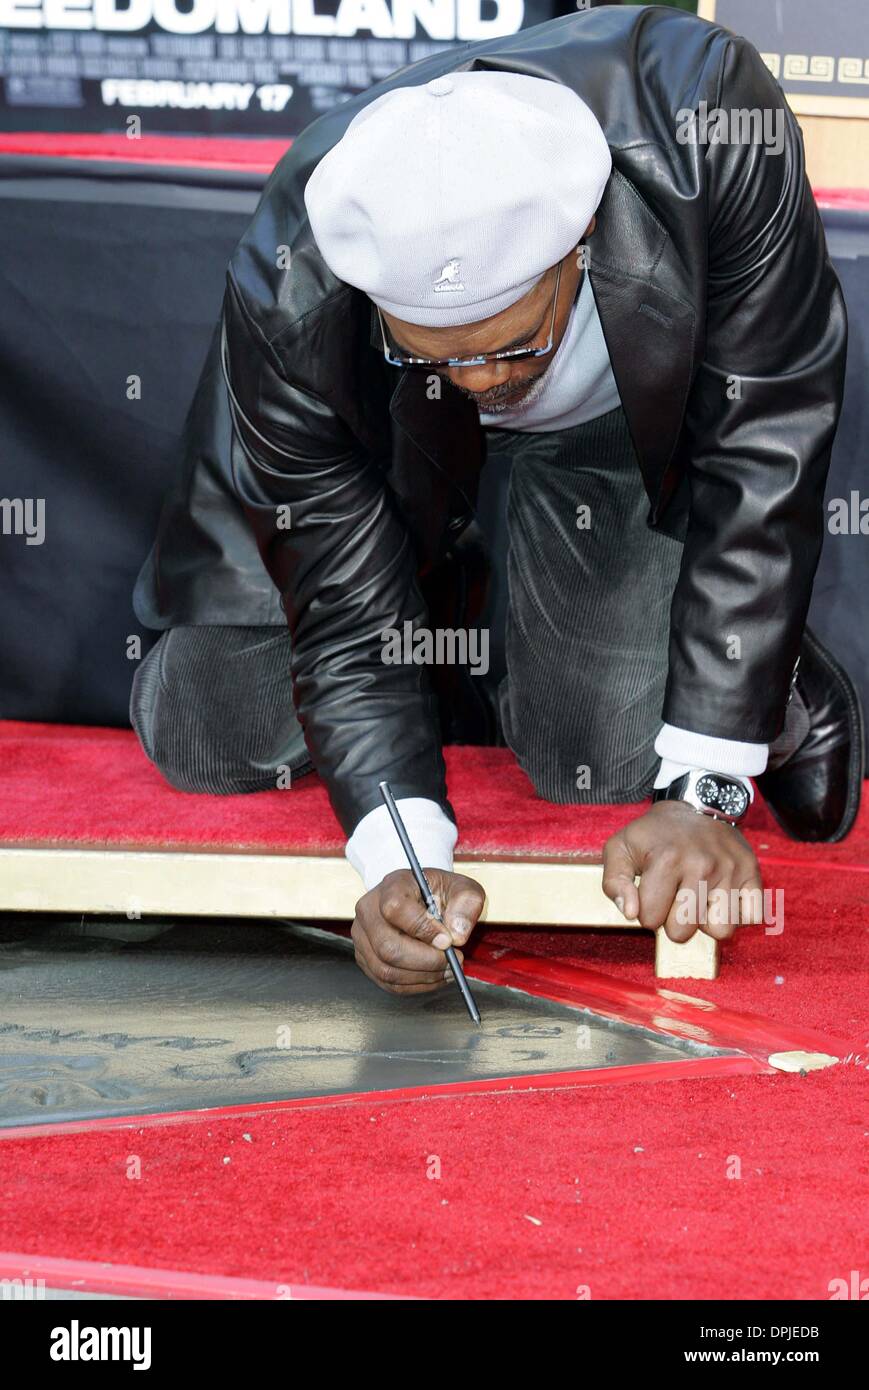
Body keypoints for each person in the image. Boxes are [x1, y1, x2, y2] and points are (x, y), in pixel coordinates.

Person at [131, 8, 863, 996]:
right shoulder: (295, 274)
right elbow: (343, 606)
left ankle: (766, 682)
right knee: (202, 728)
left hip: (609, 435)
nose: (477, 382)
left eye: (509, 346)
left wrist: (703, 782)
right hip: (389, 444)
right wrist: (398, 855)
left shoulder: (704, 119)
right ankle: (457, 614)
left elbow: (763, 440)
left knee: (598, 760)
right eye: (438, 350)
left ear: (579, 247)